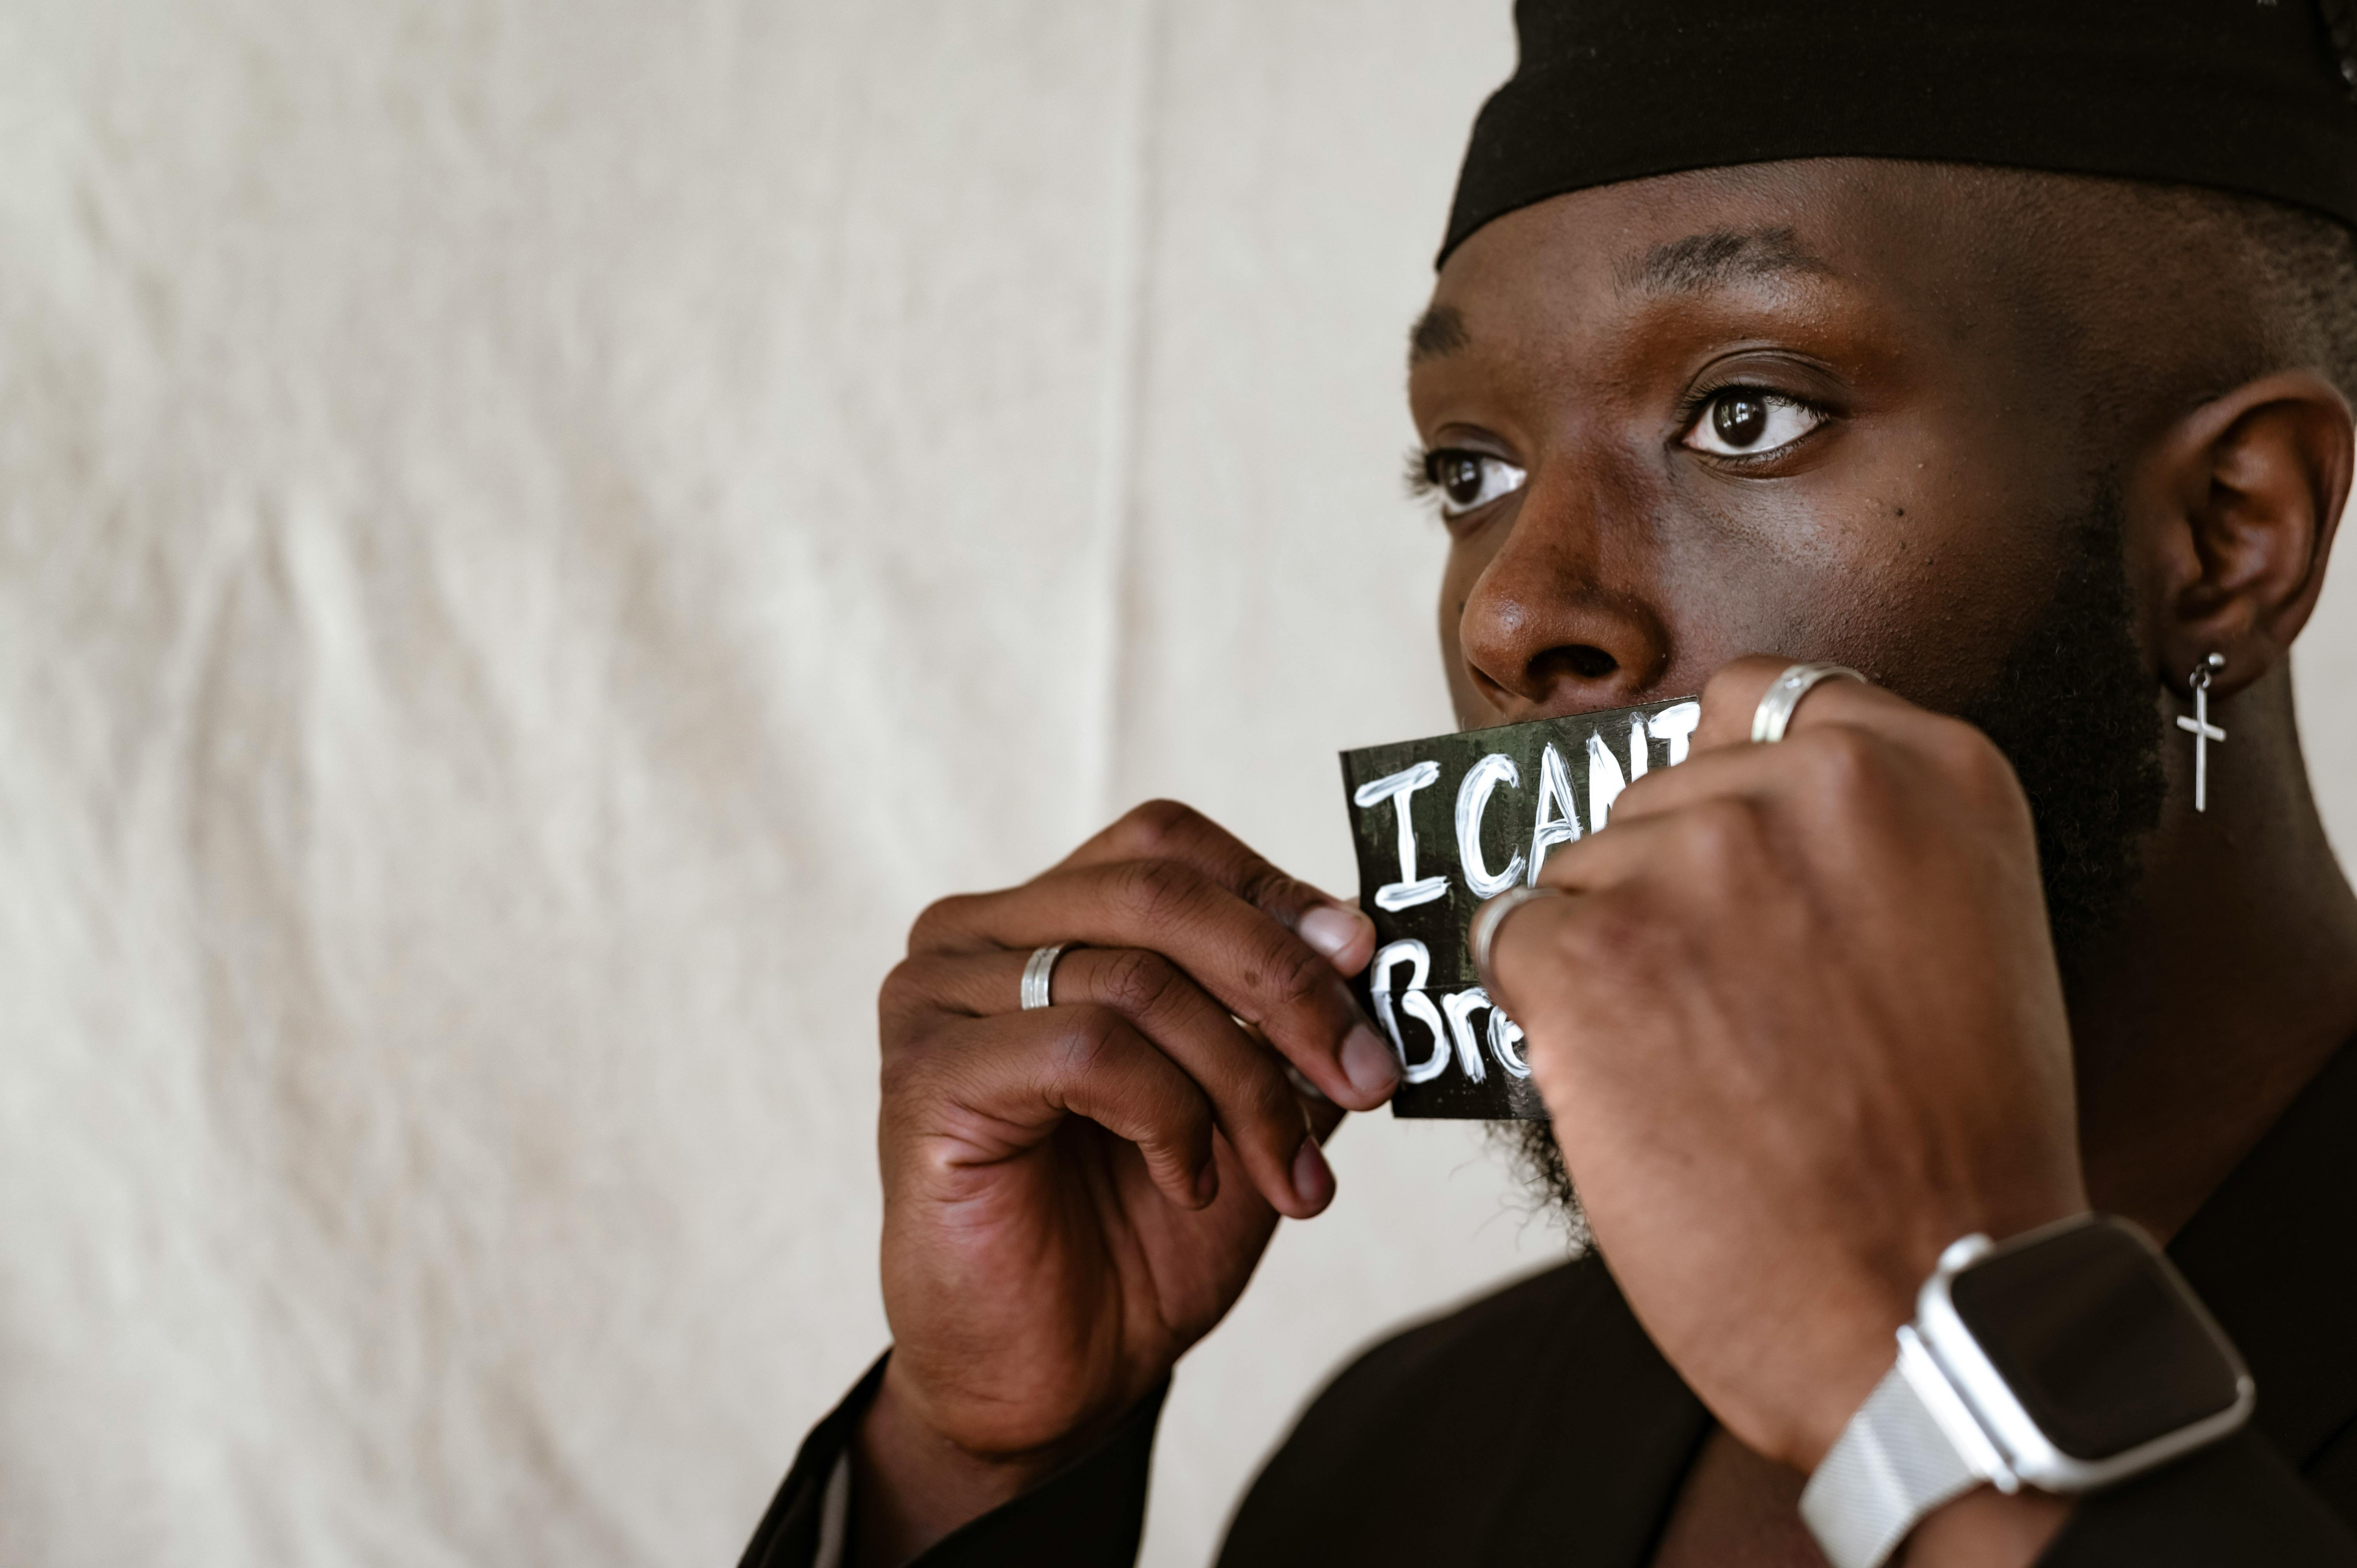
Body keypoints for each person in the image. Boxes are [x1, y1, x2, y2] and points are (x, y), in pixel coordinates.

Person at [746, 4, 2357, 1564]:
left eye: (1745, 414)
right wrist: (970, 1471)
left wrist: (1940, 1377)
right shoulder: (1405, 1455)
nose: (1516, 612)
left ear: (2229, 537)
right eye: (1472, 472)